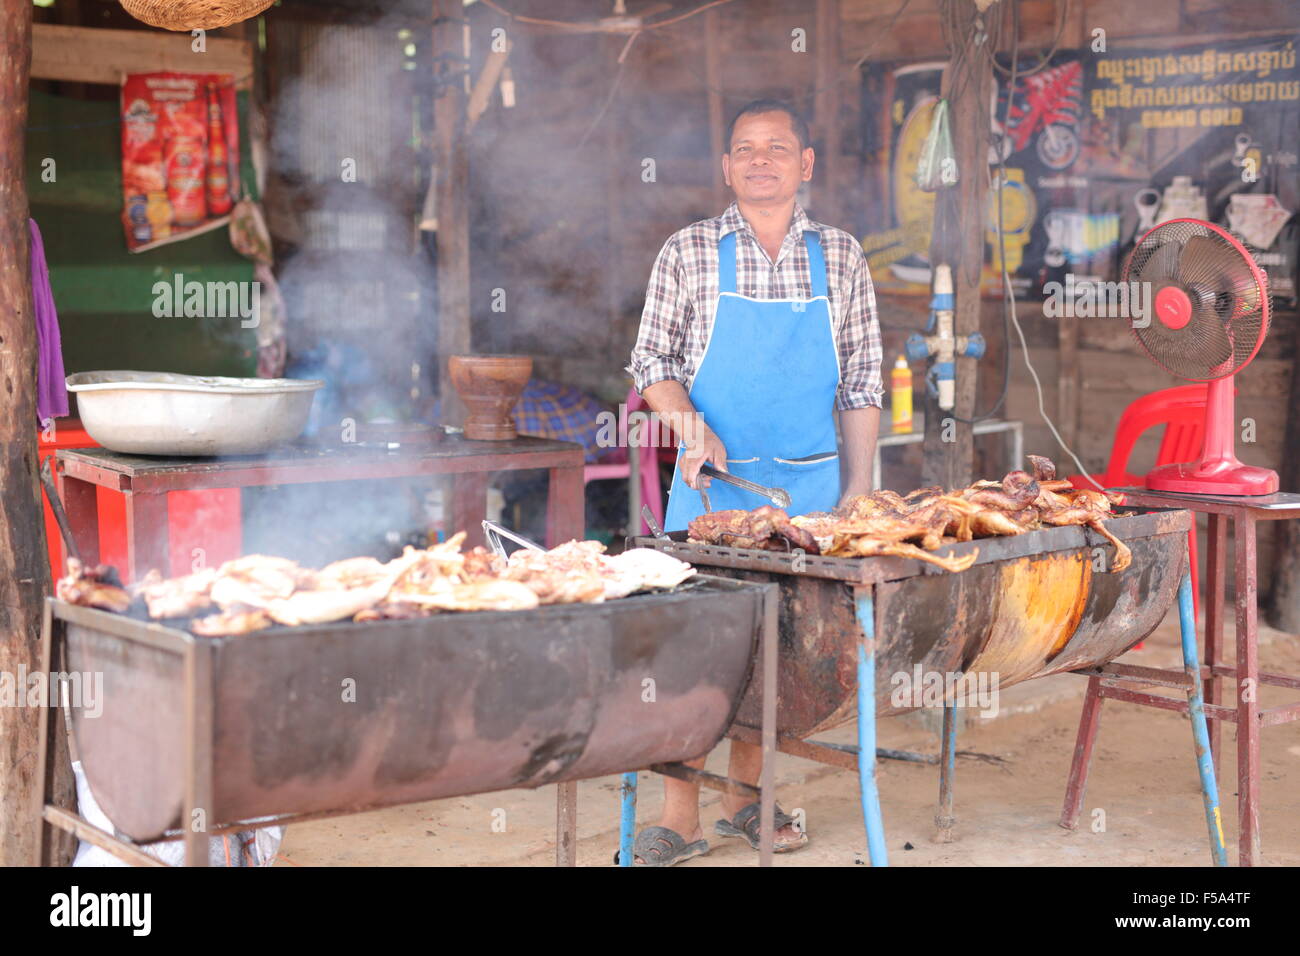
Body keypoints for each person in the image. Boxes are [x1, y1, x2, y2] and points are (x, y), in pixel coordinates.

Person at [625, 98, 883, 865]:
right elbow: (651, 366)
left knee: (782, 653)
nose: (760, 159)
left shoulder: (841, 256)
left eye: (777, 147)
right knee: (692, 655)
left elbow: (862, 383)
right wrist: (691, 428)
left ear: (806, 163)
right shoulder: (689, 251)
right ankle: (680, 816)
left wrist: (860, 492)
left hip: (809, 494)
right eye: (745, 148)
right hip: (711, 493)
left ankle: (746, 804)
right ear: (727, 166)